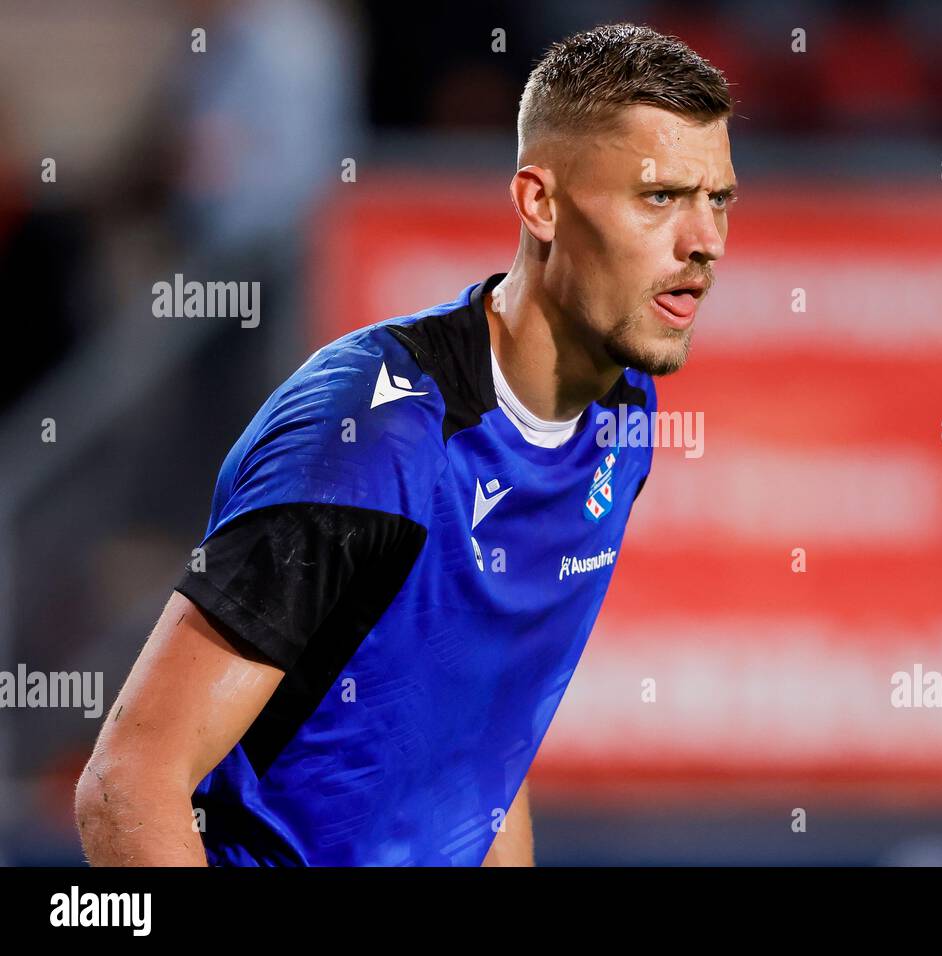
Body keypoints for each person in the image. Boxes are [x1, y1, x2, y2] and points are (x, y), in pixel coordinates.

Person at [74, 22, 736, 866]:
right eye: (659, 198)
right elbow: (128, 787)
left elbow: (482, 739)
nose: (704, 243)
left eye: (718, 200)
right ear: (541, 203)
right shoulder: (370, 439)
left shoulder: (624, 406)